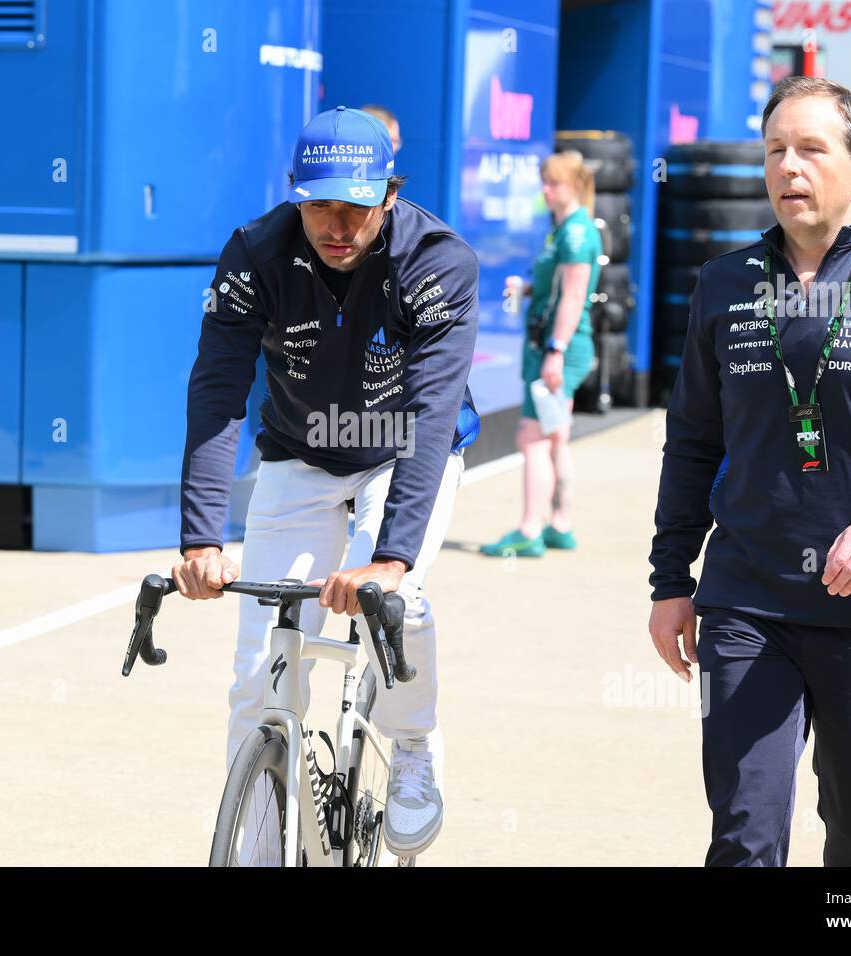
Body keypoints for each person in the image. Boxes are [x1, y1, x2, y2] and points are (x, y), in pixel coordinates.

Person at [648, 76, 851, 867]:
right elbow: (693, 438)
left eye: (810, 150)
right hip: (747, 600)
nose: (787, 167)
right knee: (744, 835)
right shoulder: (725, 284)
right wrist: (669, 579)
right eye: (774, 151)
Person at [173, 106, 480, 857]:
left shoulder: (439, 261)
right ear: (295, 196)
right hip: (298, 457)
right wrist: (200, 537)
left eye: (355, 206)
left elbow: (432, 416)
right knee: (258, 673)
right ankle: (257, 844)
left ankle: (411, 750)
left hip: (405, 450)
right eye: (318, 205)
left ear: (389, 195)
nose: (336, 225)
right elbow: (218, 390)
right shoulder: (254, 253)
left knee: (394, 606)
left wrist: (391, 558)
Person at [481, 150, 601, 557]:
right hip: (552, 346)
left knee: (532, 438)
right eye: (545, 182)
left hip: (557, 350)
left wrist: (555, 351)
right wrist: (529, 289)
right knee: (555, 438)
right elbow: (558, 289)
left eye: (554, 183)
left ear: (575, 186)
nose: (546, 190)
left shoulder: (577, 234)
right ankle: (560, 524)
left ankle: (530, 530)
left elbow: (573, 297)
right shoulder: (563, 229)